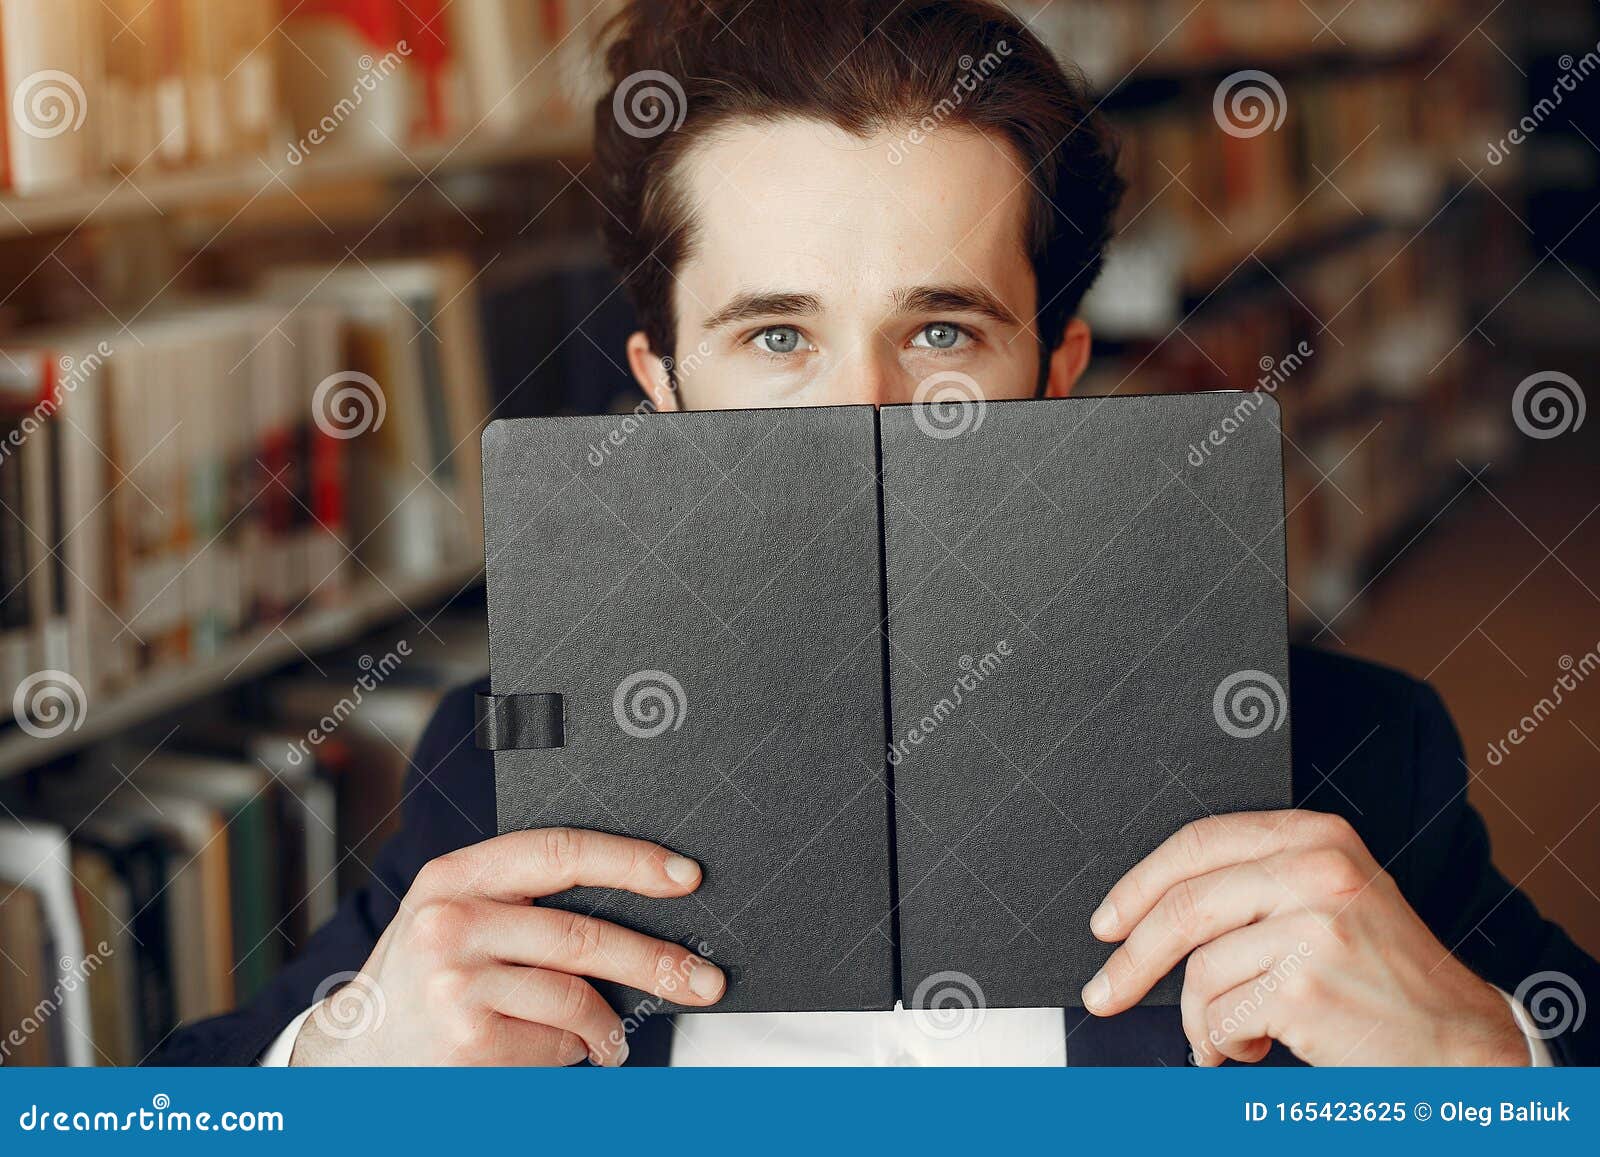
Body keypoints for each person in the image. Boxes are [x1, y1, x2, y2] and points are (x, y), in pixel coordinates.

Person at [158, 0, 1598, 1067]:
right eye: (776, 332)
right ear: (663, 392)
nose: (861, 411)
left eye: (943, 328)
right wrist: (343, 1068)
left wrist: (1486, 1066)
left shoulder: (1348, 757)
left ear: (1057, 374)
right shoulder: (506, 770)